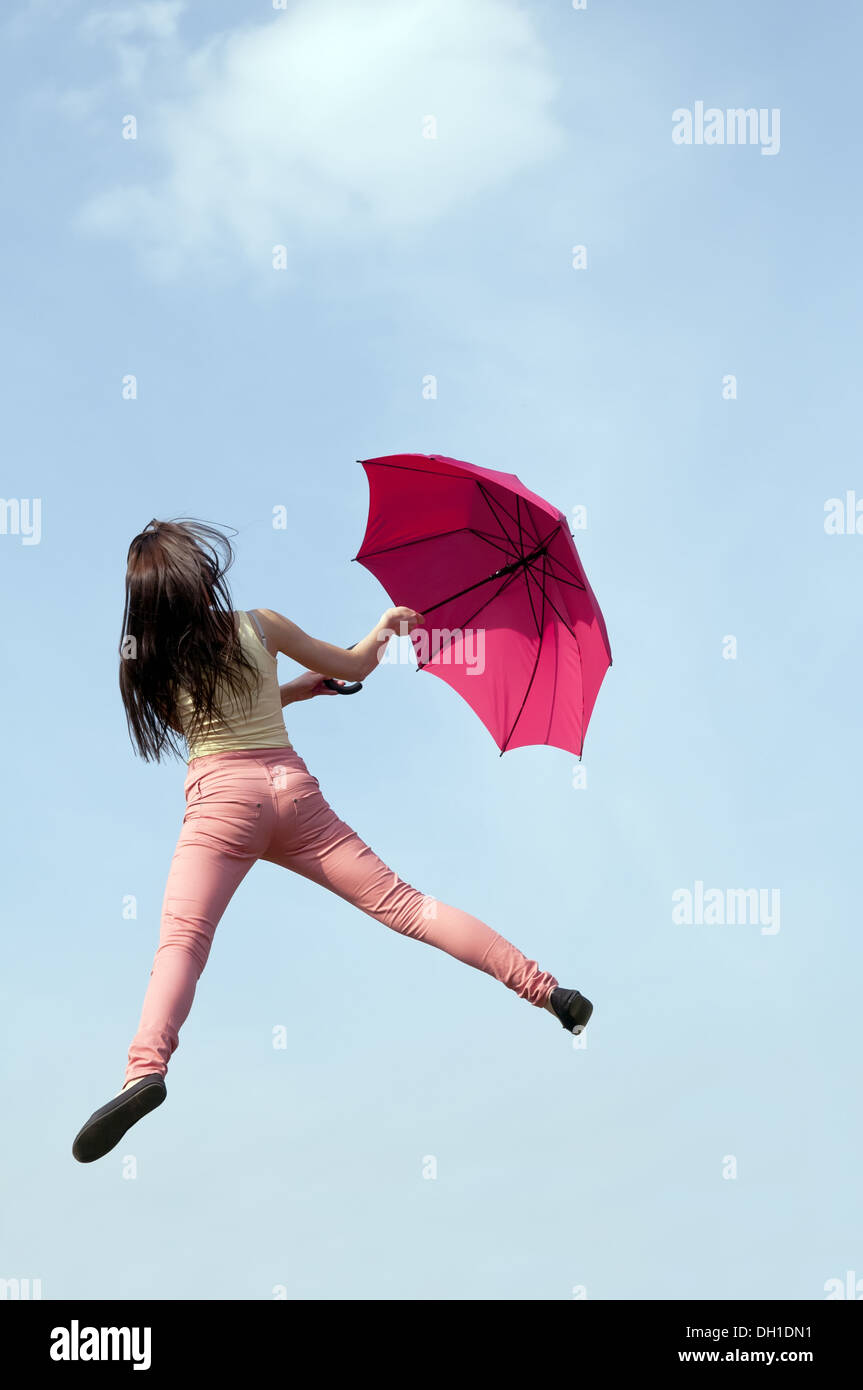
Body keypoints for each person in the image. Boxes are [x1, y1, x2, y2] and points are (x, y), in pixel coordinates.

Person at [72, 519, 593, 1163]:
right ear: (199, 574)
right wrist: (379, 632)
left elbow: (215, 718)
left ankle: (144, 1072)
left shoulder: (145, 661)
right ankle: (547, 990)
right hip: (293, 796)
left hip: (219, 807)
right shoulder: (260, 626)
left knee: (183, 942)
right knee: (408, 906)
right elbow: (354, 665)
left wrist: (296, 692)